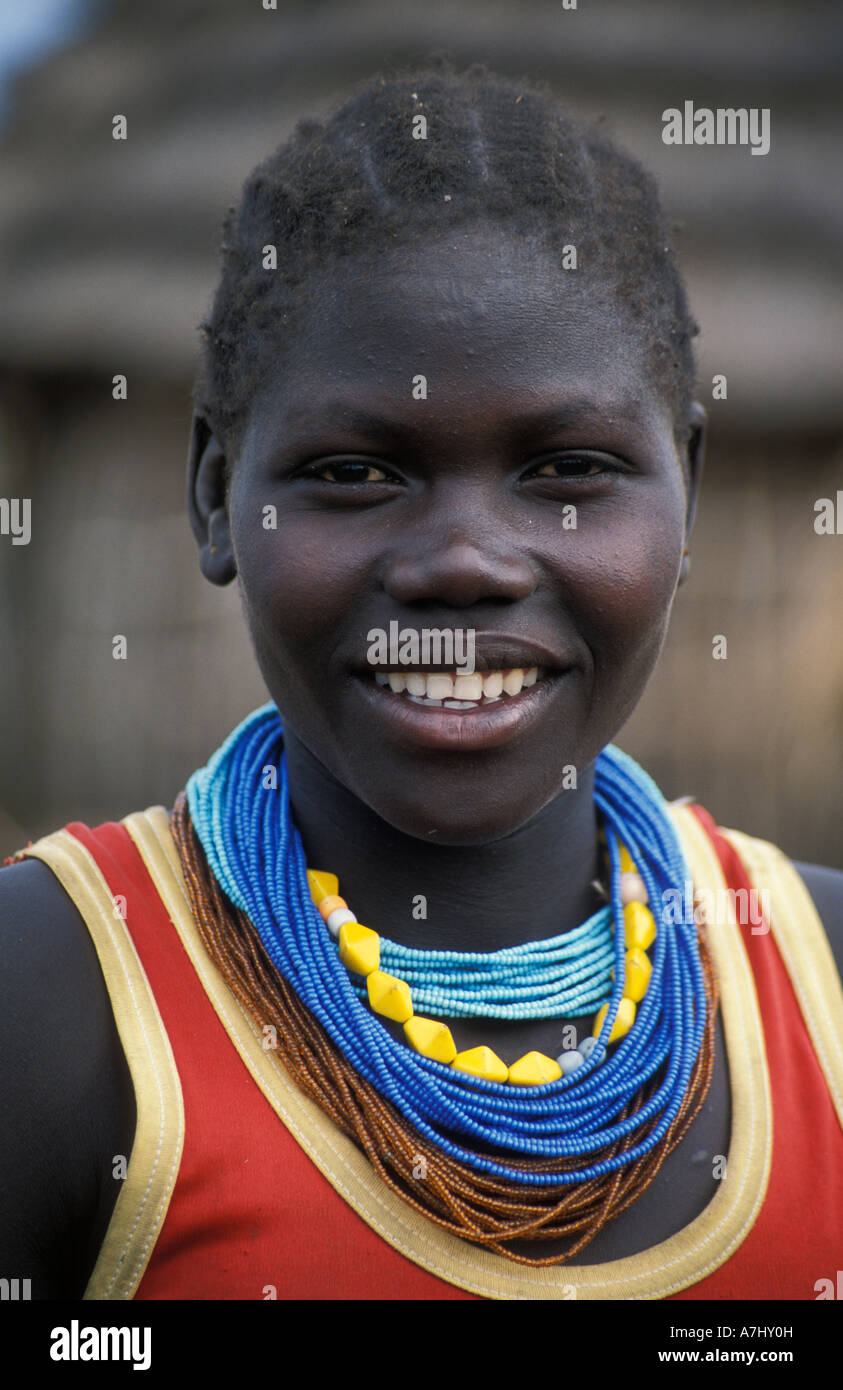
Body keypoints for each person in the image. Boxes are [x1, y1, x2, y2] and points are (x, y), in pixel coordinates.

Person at [1, 61, 841, 1303]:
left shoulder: (824, 979)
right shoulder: (53, 1000)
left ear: (689, 495)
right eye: (355, 473)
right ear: (215, 496)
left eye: (566, 468)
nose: (463, 563)